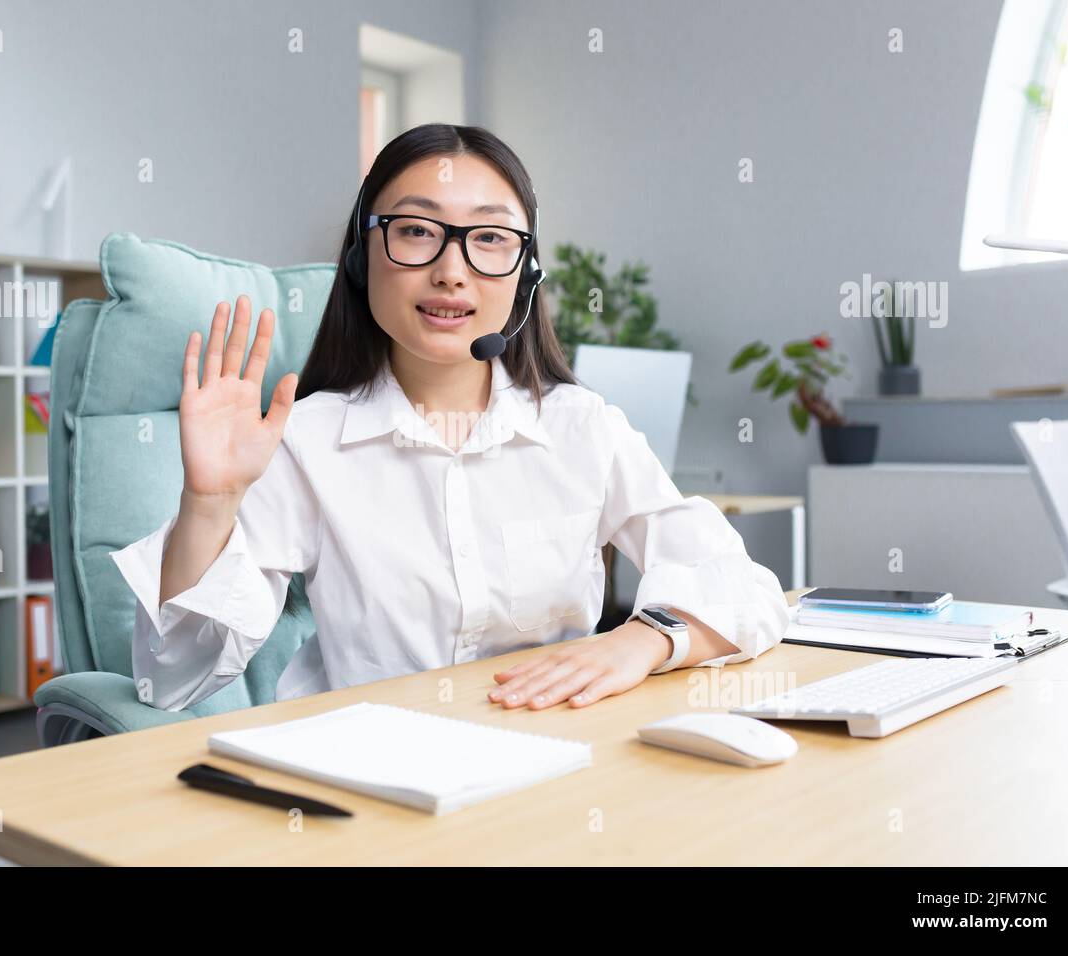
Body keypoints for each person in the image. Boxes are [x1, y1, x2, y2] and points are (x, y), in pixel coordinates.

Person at [110, 123, 790, 713]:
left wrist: (641, 641)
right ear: (360, 255)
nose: (451, 270)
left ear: (525, 272)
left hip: (550, 770)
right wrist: (209, 504)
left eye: (489, 238)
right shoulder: (305, 442)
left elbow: (747, 587)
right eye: (414, 230)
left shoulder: (582, 428)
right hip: (370, 785)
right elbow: (171, 680)